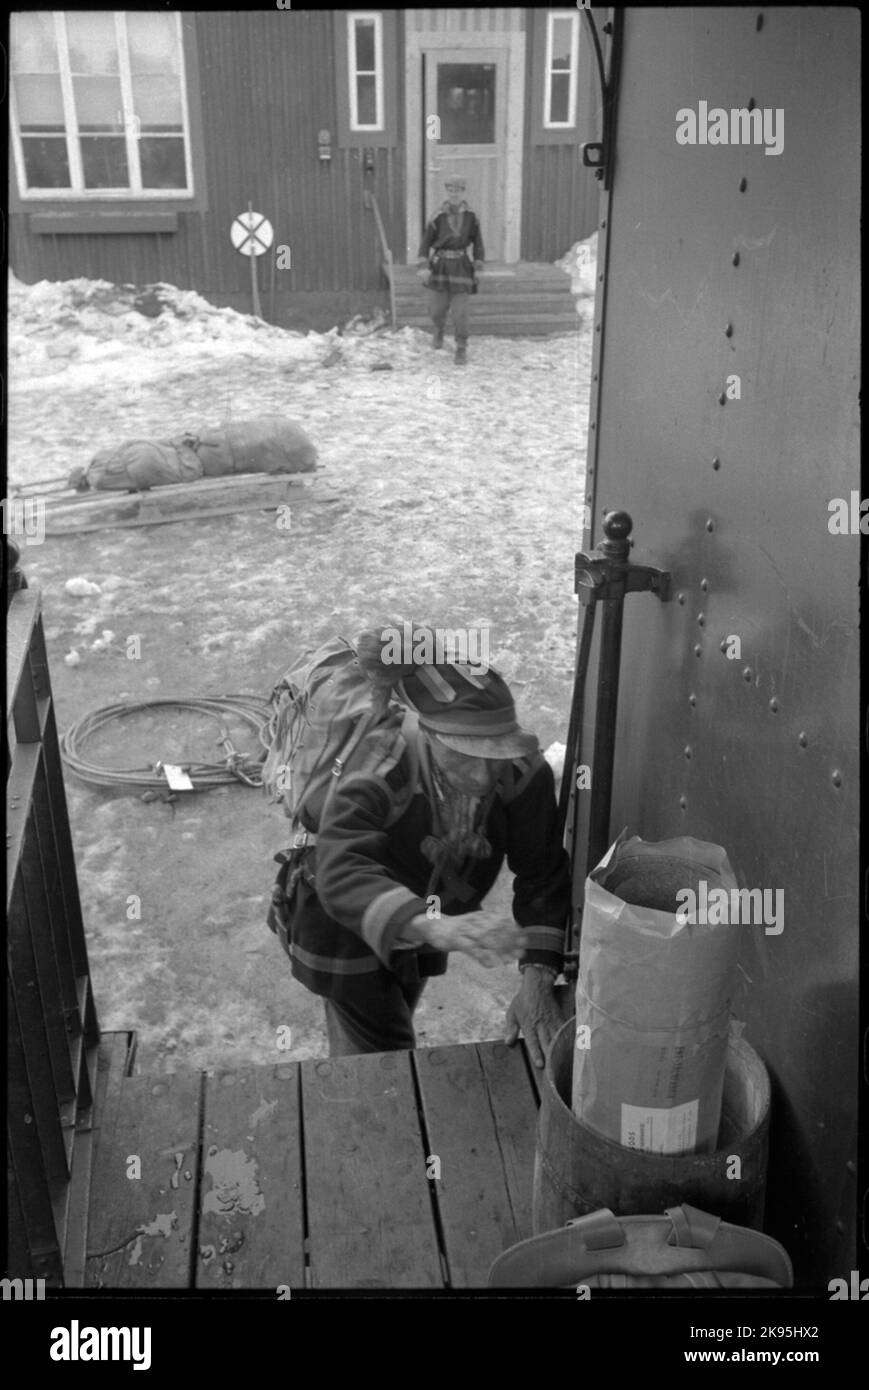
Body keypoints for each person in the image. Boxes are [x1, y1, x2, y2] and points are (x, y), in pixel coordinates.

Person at [269, 628, 570, 1067]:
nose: (484, 777)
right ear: (428, 736)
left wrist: (539, 975)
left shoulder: (525, 775)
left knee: (395, 1013)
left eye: (496, 754)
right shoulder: (379, 765)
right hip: (342, 923)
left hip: (430, 912)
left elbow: (542, 872)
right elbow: (342, 870)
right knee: (377, 1058)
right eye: (463, 755)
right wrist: (438, 929)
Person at [417, 175, 485, 366]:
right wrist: (423, 267)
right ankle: (438, 329)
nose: (454, 194)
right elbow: (425, 244)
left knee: (460, 312)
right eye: (451, 190)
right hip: (439, 267)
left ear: (463, 192)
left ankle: (461, 348)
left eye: (458, 190)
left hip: (462, 268)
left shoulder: (472, 216)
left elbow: (478, 243)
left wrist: (478, 266)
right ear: (447, 192)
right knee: (436, 309)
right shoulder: (437, 216)